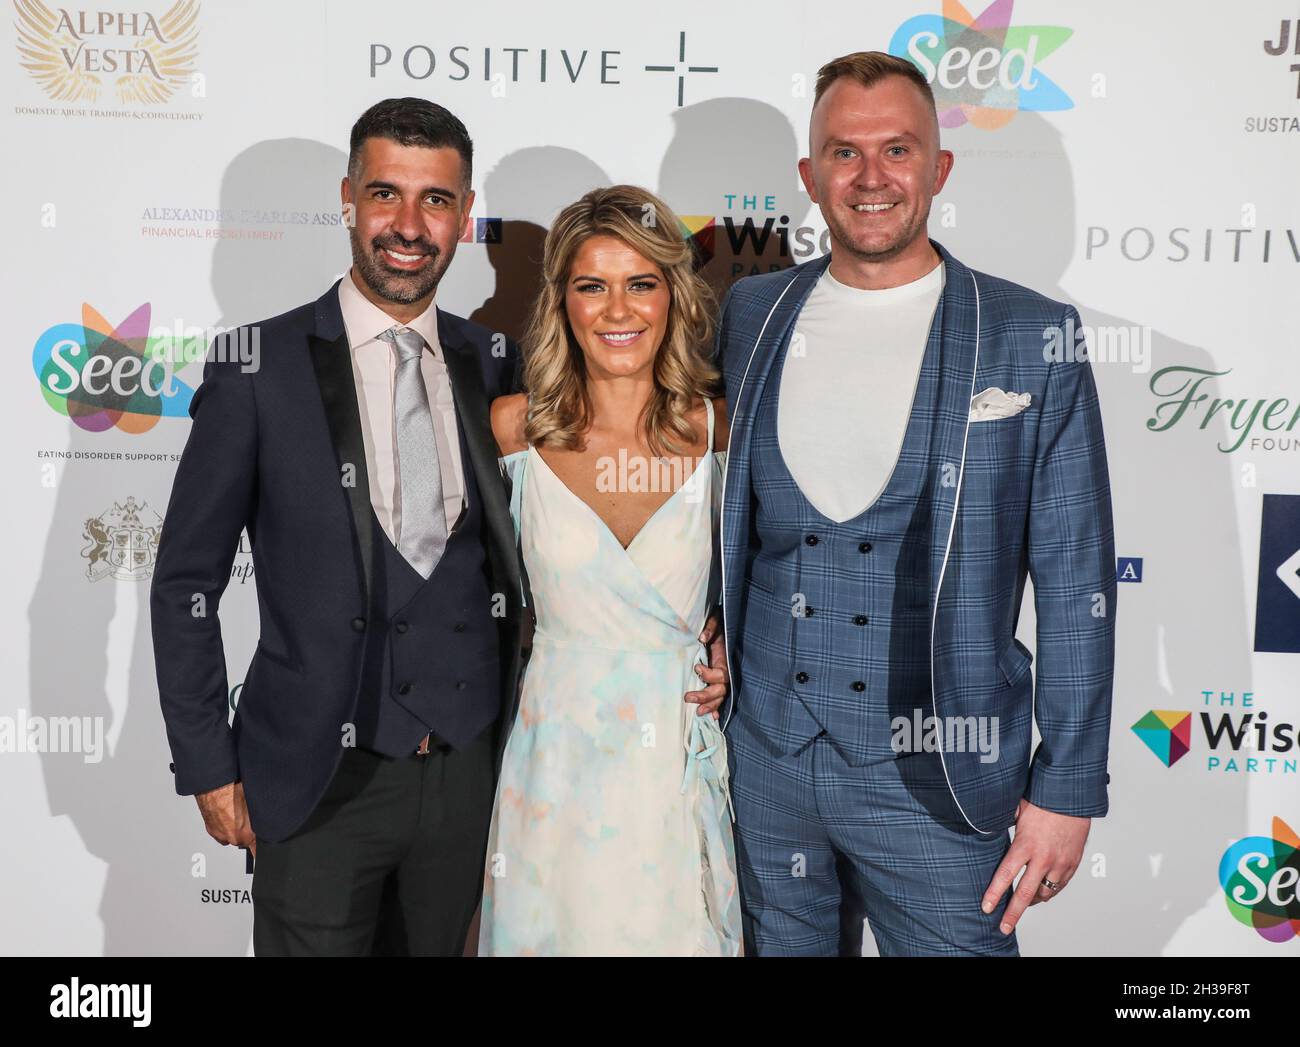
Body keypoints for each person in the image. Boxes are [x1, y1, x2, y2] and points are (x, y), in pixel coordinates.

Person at [714, 52, 1116, 956]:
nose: (871, 177)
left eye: (897, 150)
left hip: (936, 779)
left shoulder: (1030, 333)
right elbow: (720, 514)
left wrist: (1066, 785)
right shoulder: (750, 313)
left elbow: (1076, 576)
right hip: (764, 765)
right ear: (810, 174)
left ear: (939, 167)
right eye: (844, 152)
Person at [151, 97, 526, 956]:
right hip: (314, 781)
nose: (409, 225)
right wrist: (209, 764)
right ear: (348, 198)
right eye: (386, 193)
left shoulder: (496, 364)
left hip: (468, 779)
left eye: (436, 200)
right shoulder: (255, 366)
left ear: (466, 214)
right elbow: (185, 584)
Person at [481, 185, 741, 955]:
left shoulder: (719, 428)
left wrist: (737, 648)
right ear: (562, 301)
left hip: (672, 761)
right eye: (592, 286)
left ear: (673, 295)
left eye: (641, 283)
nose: (617, 310)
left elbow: (776, 573)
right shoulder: (514, 428)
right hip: (553, 766)